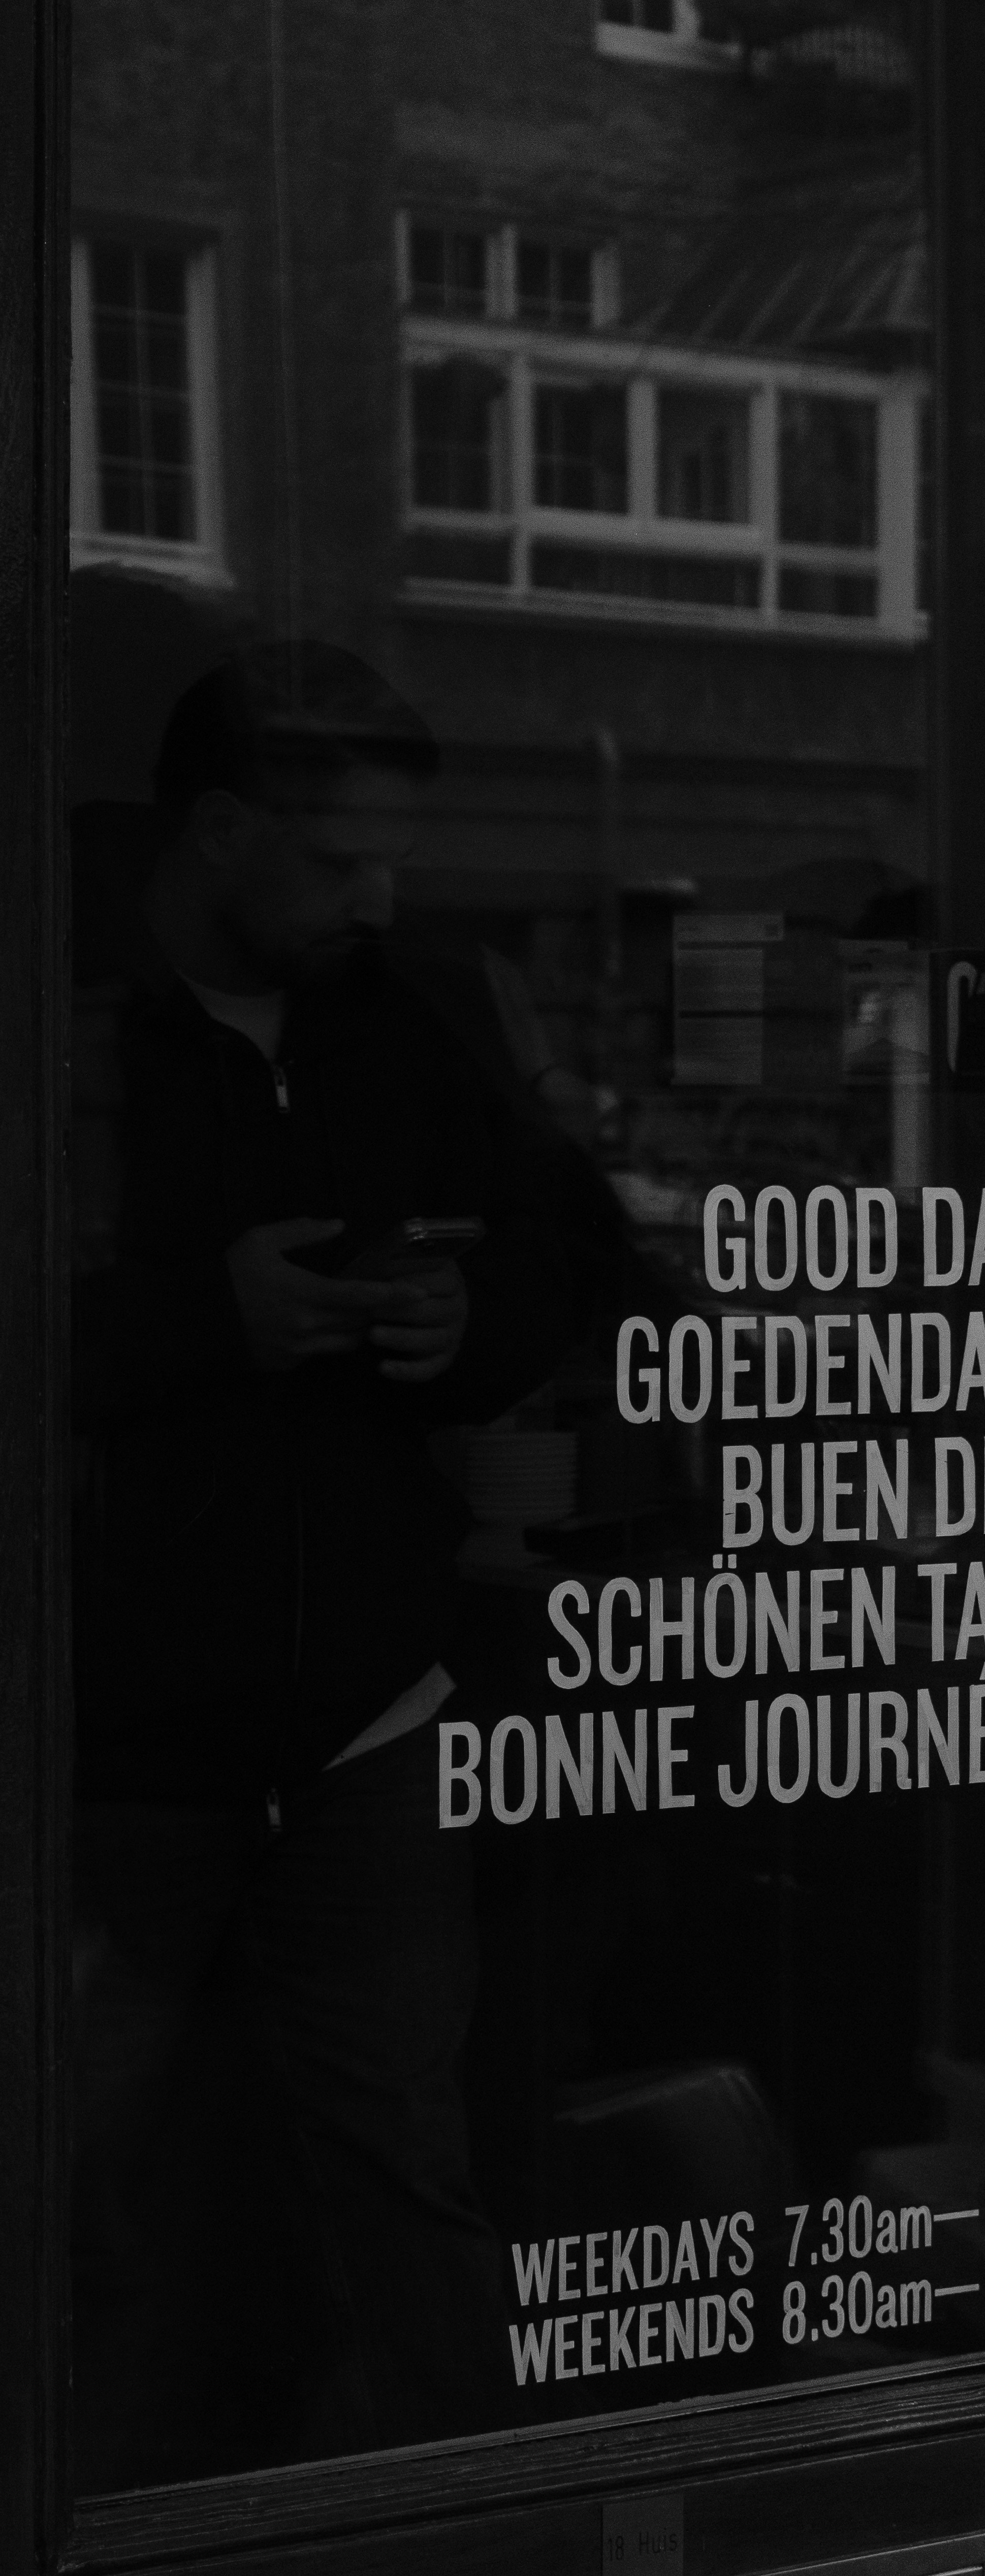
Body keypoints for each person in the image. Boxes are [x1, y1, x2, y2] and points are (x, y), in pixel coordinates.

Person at [71, 645, 583, 2473]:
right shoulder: (73, 1026)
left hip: (371, 1717)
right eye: (339, 857)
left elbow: (571, 1253)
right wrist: (203, 1317)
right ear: (220, 831)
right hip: (115, 1736)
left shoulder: (403, 1019)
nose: (379, 897)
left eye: (395, 858)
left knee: (406, 2172)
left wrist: (463, 1323)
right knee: (83, 2171)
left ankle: (475, 2553)